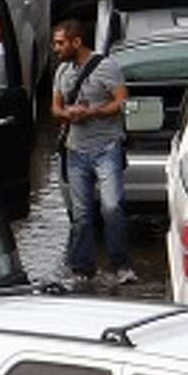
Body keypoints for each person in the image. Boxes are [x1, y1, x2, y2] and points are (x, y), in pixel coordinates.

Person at [51, 16, 134, 292]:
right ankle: (81, 270)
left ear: (77, 42)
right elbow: (55, 108)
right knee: (82, 214)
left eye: (60, 43)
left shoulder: (106, 67)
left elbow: (122, 101)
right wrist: (68, 114)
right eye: (55, 43)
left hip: (107, 147)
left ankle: (120, 265)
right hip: (76, 150)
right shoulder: (62, 72)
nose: (56, 48)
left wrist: (94, 112)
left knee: (111, 207)